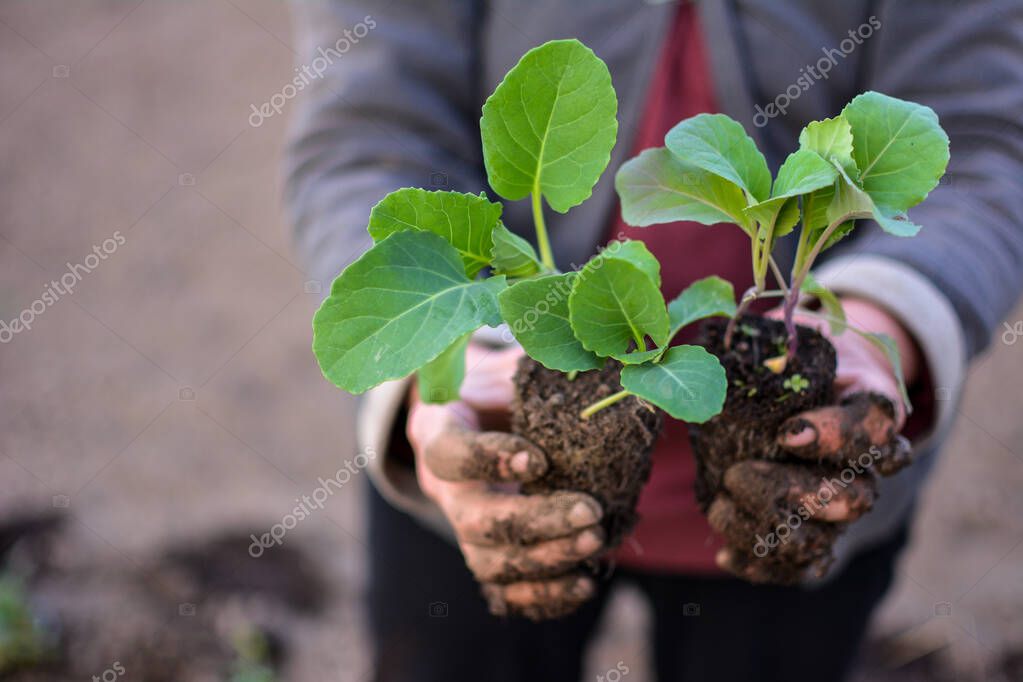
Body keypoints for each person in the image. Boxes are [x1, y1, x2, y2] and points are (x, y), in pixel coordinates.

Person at [285, 1, 1023, 680]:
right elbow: (367, 129)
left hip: (800, 478)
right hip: (491, 447)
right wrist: (432, 370)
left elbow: (986, 144)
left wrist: (882, 317)